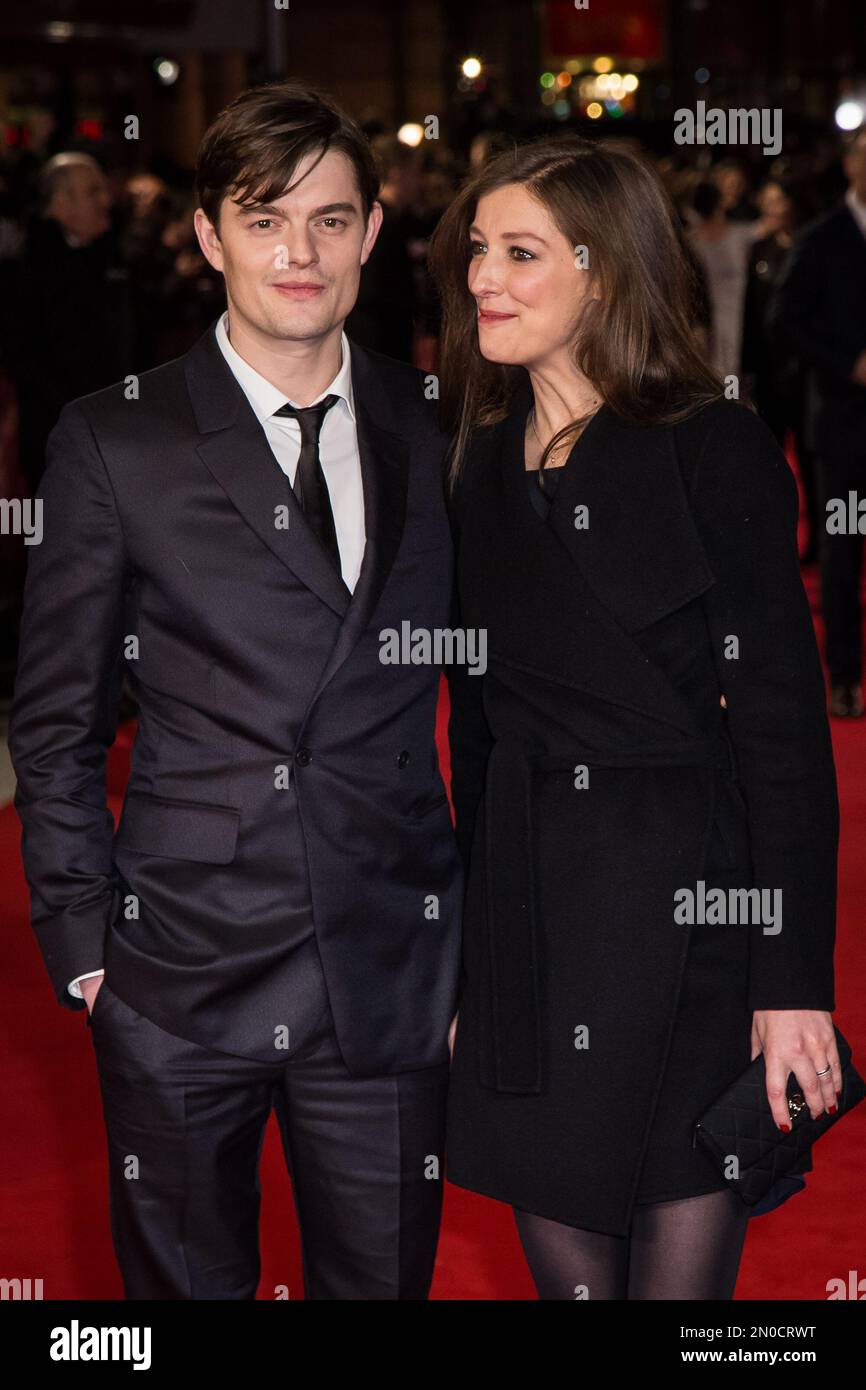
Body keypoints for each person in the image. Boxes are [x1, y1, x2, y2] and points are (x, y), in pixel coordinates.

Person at [9, 81, 463, 1300]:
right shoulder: (118, 439)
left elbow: (490, 699)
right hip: (177, 972)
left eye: (327, 219)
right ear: (209, 237)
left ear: (374, 231)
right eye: (264, 221)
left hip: (386, 974)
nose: (298, 253)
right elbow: (53, 717)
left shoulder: (435, 426)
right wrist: (84, 947)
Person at [430, 137, 840, 1300]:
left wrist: (791, 980)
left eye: (517, 253)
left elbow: (780, 739)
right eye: (476, 252)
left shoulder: (712, 447)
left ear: (600, 272)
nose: (480, 280)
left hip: (694, 925)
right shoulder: (475, 463)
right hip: (534, 926)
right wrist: (474, 972)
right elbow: (473, 729)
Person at [770, 129, 866, 718]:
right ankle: (846, 675)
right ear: (854, 168)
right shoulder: (822, 241)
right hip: (844, 424)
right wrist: (848, 362)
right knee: (843, 549)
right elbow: (786, 324)